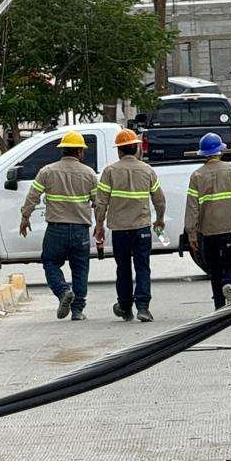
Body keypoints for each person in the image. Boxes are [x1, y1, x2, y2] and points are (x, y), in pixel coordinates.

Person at [19, 130, 98, 321]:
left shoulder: (47, 171)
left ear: (63, 150)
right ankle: (77, 310)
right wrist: (100, 223)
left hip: (56, 229)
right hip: (80, 230)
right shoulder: (89, 174)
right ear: (79, 152)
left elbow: (33, 196)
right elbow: (98, 202)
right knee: (80, 269)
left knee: (50, 262)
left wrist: (25, 217)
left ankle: (63, 291)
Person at [94, 128, 166, 323]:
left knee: (123, 268)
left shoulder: (110, 171)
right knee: (143, 267)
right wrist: (159, 220)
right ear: (136, 148)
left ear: (119, 150)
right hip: (142, 228)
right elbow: (159, 200)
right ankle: (143, 307)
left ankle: (125, 307)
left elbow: (101, 202)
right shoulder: (147, 170)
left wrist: (99, 225)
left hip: (120, 230)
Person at [185, 132, 231, 309]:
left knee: (214, 269)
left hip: (208, 231)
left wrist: (191, 234)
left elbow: (192, 208)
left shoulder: (196, 176)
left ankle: (219, 307)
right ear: (220, 151)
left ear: (203, 153)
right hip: (230, 228)